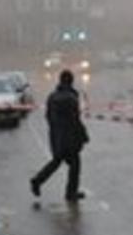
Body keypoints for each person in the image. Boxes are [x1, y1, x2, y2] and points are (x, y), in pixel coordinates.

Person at [30, 70, 89, 202]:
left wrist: (55, 130)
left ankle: (37, 181)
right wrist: (83, 135)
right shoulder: (72, 97)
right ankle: (70, 193)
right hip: (70, 137)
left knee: (57, 161)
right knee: (75, 165)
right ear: (71, 81)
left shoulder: (52, 97)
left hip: (57, 136)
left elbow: (48, 117)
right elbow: (75, 119)